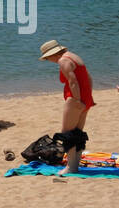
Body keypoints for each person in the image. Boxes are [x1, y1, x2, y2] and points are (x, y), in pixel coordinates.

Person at [40, 39, 94, 176]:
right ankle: (75, 166)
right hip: (86, 98)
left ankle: (70, 167)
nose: (48, 60)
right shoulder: (74, 56)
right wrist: (88, 97)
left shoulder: (63, 61)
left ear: (53, 54)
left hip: (75, 99)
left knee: (67, 133)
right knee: (78, 133)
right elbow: (88, 78)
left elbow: (73, 82)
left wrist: (76, 100)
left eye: (47, 58)